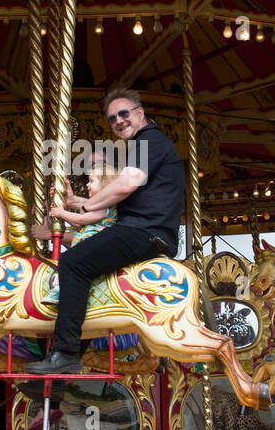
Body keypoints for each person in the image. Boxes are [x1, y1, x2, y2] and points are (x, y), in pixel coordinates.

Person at [29, 89, 184, 374]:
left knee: (73, 262)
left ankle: (65, 353)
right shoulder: (144, 144)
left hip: (144, 230)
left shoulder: (148, 141)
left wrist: (83, 210)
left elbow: (124, 186)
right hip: (146, 230)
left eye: (124, 113)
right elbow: (114, 198)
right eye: (112, 118)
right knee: (90, 277)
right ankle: (62, 369)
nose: (119, 121)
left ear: (140, 112)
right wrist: (77, 202)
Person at [33, 155, 119, 306]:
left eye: (92, 181)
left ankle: (59, 291)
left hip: (93, 246)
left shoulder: (103, 207)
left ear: (105, 185)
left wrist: (61, 213)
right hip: (84, 242)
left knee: (68, 263)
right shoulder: (98, 202)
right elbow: (74, 202)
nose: (87, 185)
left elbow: (79, 220)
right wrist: (67, 195)